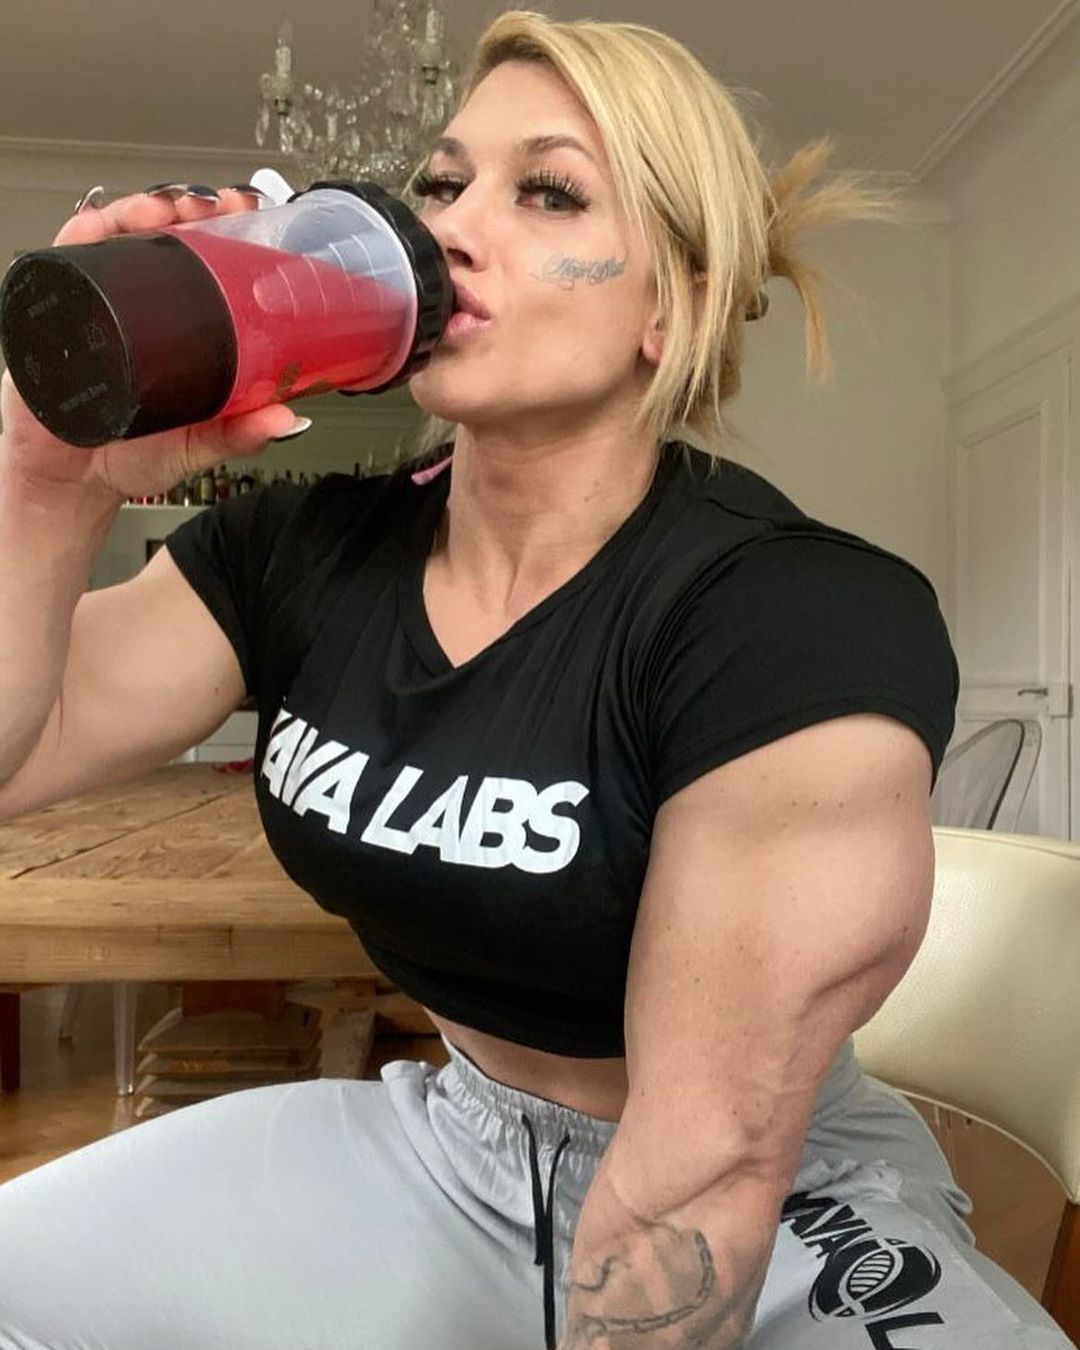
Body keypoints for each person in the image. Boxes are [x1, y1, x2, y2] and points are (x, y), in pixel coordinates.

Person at [0, 11, 1069, 1350]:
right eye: (441, 184)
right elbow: (23, 743)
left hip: (760, 1194)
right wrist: (48, 475)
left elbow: (695, 1184)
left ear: (673, 308)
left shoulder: (790, 616)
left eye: (549, 191)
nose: (448, 226)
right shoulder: (299, 549)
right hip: (449, 1142)